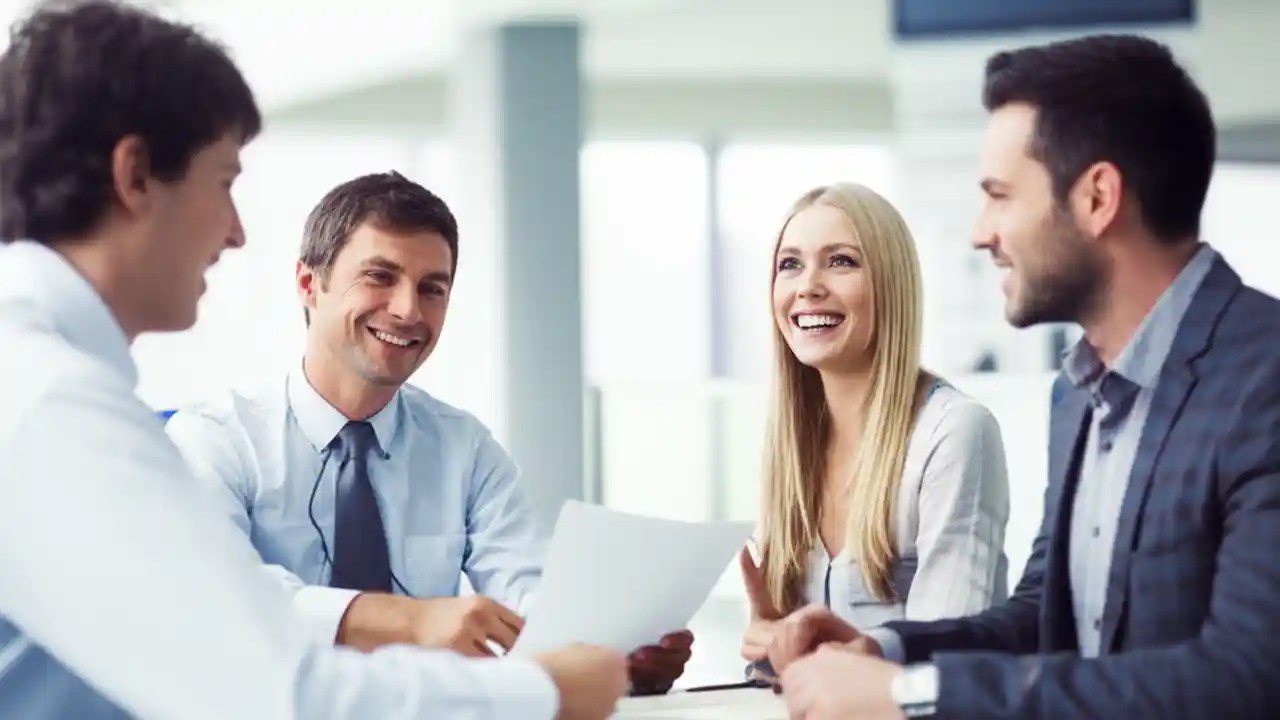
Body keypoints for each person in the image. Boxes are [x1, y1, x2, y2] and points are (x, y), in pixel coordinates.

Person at [0, 2, 628, 718]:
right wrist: (545, 692)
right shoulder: (55, 404)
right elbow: (267, 691)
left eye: (432, 288)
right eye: (225, 182)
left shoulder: (42, 380)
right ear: (136, 174)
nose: (236, 233)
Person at [768, 34, 1280, 720]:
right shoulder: (1077, 395)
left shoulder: (1264, 377)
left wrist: (913, 695)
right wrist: (883, 649)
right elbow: (1044, 616)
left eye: (1000, 196)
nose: (982, 233)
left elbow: (1247, 677)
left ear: (1097, 197)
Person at [164, 171, 693, 694]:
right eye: (379, 276)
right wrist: (404, 620)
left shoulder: (465, 449)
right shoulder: (216, 439)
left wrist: (610, 652)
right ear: (309, 285)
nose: (408, 310)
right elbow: (217, 590)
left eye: (432, 288)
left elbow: (525, 592)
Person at [739, 183, 1010, 676]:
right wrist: (769, 650)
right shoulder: (789, 446)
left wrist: (804, 654)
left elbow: (942, 662)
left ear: (890, 284)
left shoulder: (954, 433)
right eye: (790, 264)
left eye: (840, 261)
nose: (808, 286)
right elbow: (778, 665)